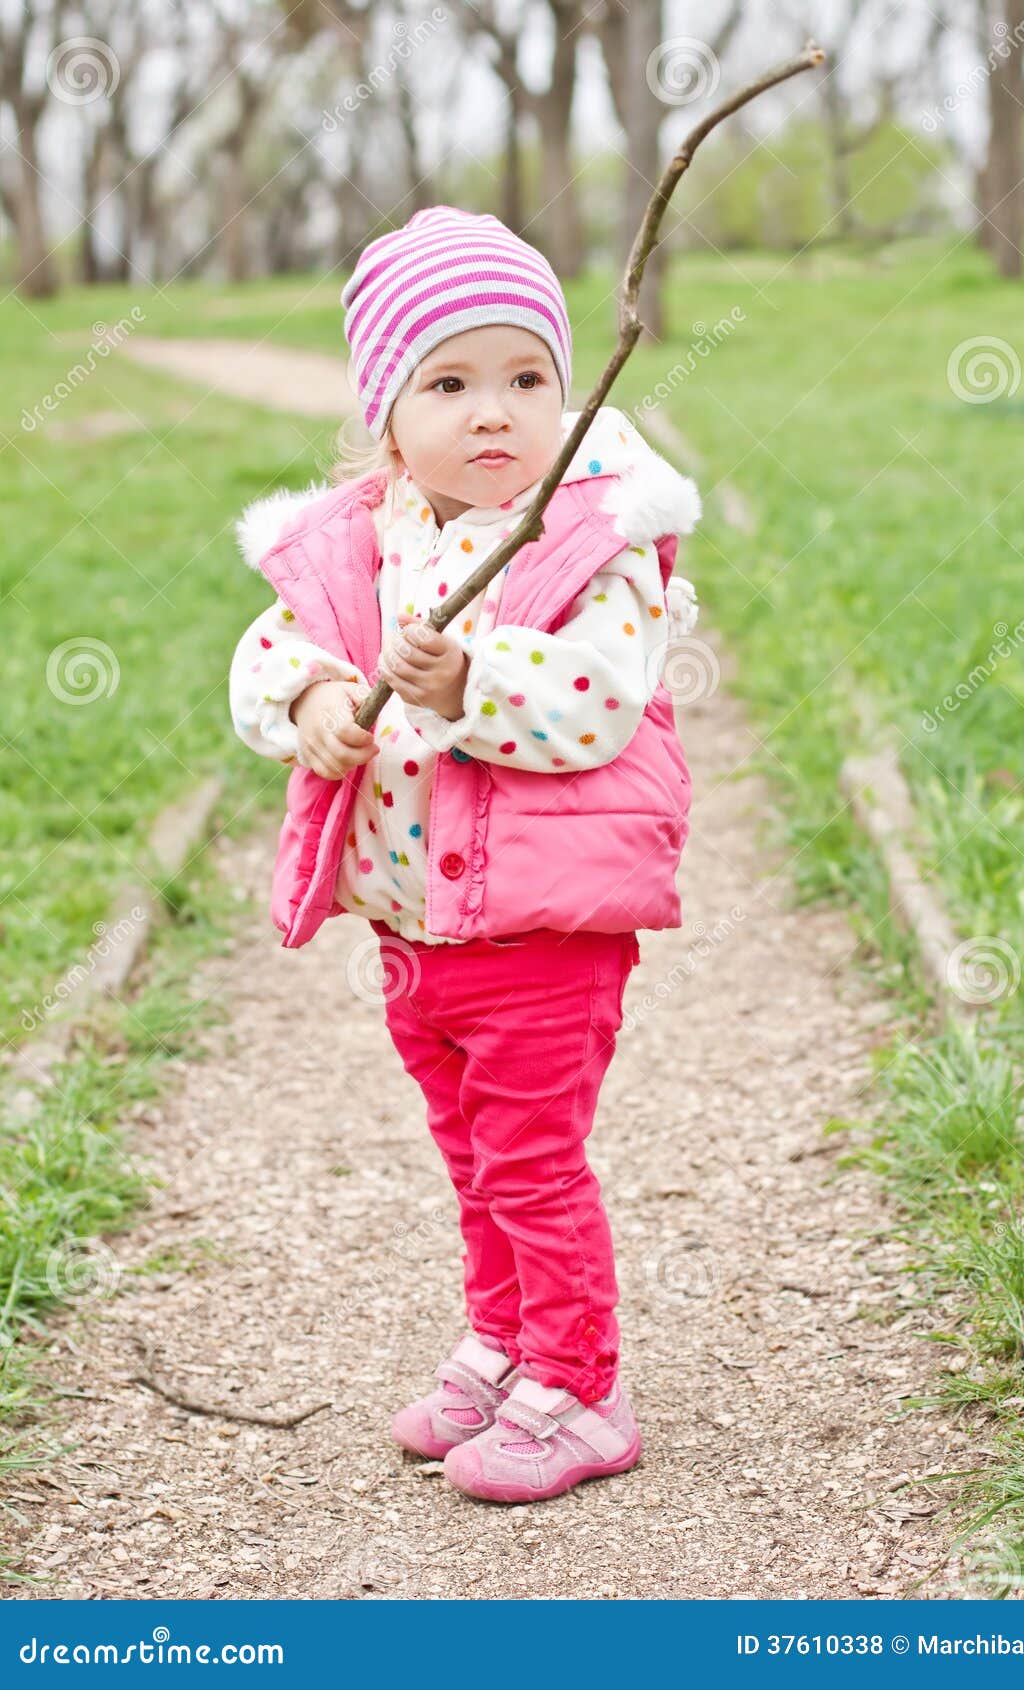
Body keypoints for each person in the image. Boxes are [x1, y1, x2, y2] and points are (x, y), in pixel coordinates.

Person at [228, 205, 702, 1504]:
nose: (494, 413)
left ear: (566, 390)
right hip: (412, 933)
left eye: (526, 378)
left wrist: (472, 676)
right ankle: (507, 1339)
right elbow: (267, 654)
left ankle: (582, 1385)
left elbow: (600, 697)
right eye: (450, 383)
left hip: (542, 934)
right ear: (387, 416)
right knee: (470, 1150)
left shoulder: (588, 543)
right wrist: (312, 703)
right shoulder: (362, 539)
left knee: (534, 1155)